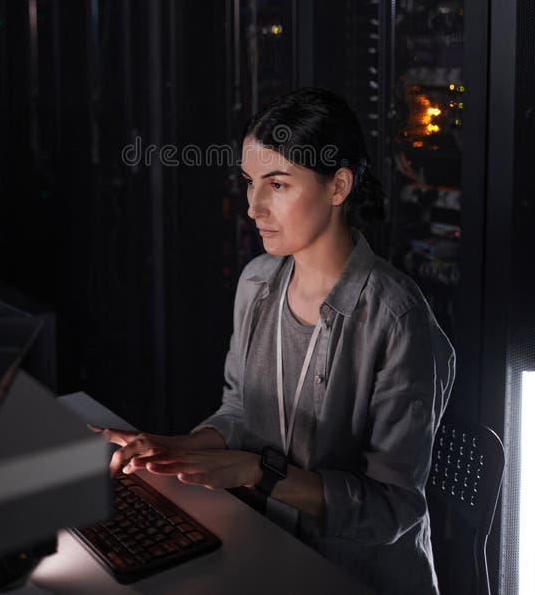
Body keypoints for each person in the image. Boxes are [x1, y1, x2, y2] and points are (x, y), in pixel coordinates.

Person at [90, 88, 455, 595]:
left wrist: (254, 473)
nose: (253, 206)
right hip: (264, 547)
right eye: (249, 183)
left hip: (353, 577)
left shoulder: (397, 319)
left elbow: (391, 509)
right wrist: (171, 449)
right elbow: (240, 412)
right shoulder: (257, 284)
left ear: (338, 186)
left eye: (277, 184)